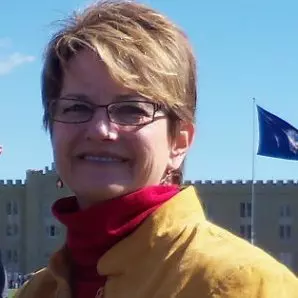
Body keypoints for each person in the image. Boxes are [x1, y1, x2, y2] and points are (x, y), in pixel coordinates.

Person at [15, 1, 298, 297]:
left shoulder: (242, 284)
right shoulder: (37, 290)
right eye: (76, 107)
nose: (100, 129)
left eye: (132, 109)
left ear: (179, 141)